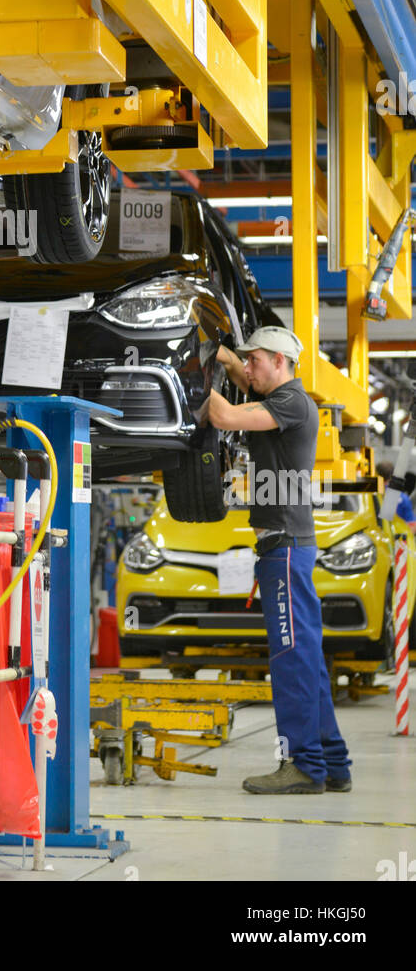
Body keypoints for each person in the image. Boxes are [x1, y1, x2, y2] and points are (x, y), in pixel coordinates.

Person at [202, 326, 352, 795]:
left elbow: (223, 416)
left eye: (255, 361)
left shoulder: (291, 401)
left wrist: (184, 370)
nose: (248, 369)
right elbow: (240, 380)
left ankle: (303, 766)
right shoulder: (282, 396)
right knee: (306, 657)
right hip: (287, 547)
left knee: (290, 657)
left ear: (280, 362)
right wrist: (222, 355)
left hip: (284, 548)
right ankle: (332, 762)